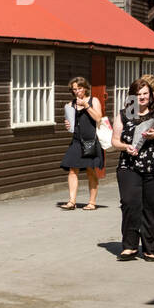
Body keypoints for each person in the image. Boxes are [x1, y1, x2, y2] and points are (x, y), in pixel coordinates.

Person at [110, 77, 154, 261]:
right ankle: (130, 247)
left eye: (145, 94)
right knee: (130, 203)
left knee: (151, 208)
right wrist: (126, 147)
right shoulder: (126, 114)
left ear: (150, 95)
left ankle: (149, 248)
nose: (141, 97)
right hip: (129, 166)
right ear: (132, 96)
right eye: (138, 94)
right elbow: (115, 141)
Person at [59, 77, 103, 210]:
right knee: (72, 169)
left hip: (90, 140)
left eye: (79, 88)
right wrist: (67, 125)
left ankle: (92, 202)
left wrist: (86, 105)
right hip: (77, 140)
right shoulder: (71, 104)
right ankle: (72, 201)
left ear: (85, 88)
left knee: (90, 170)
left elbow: (98, 118)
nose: (77, 91)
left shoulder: (93, 100)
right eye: (74, 89)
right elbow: (70, 124)